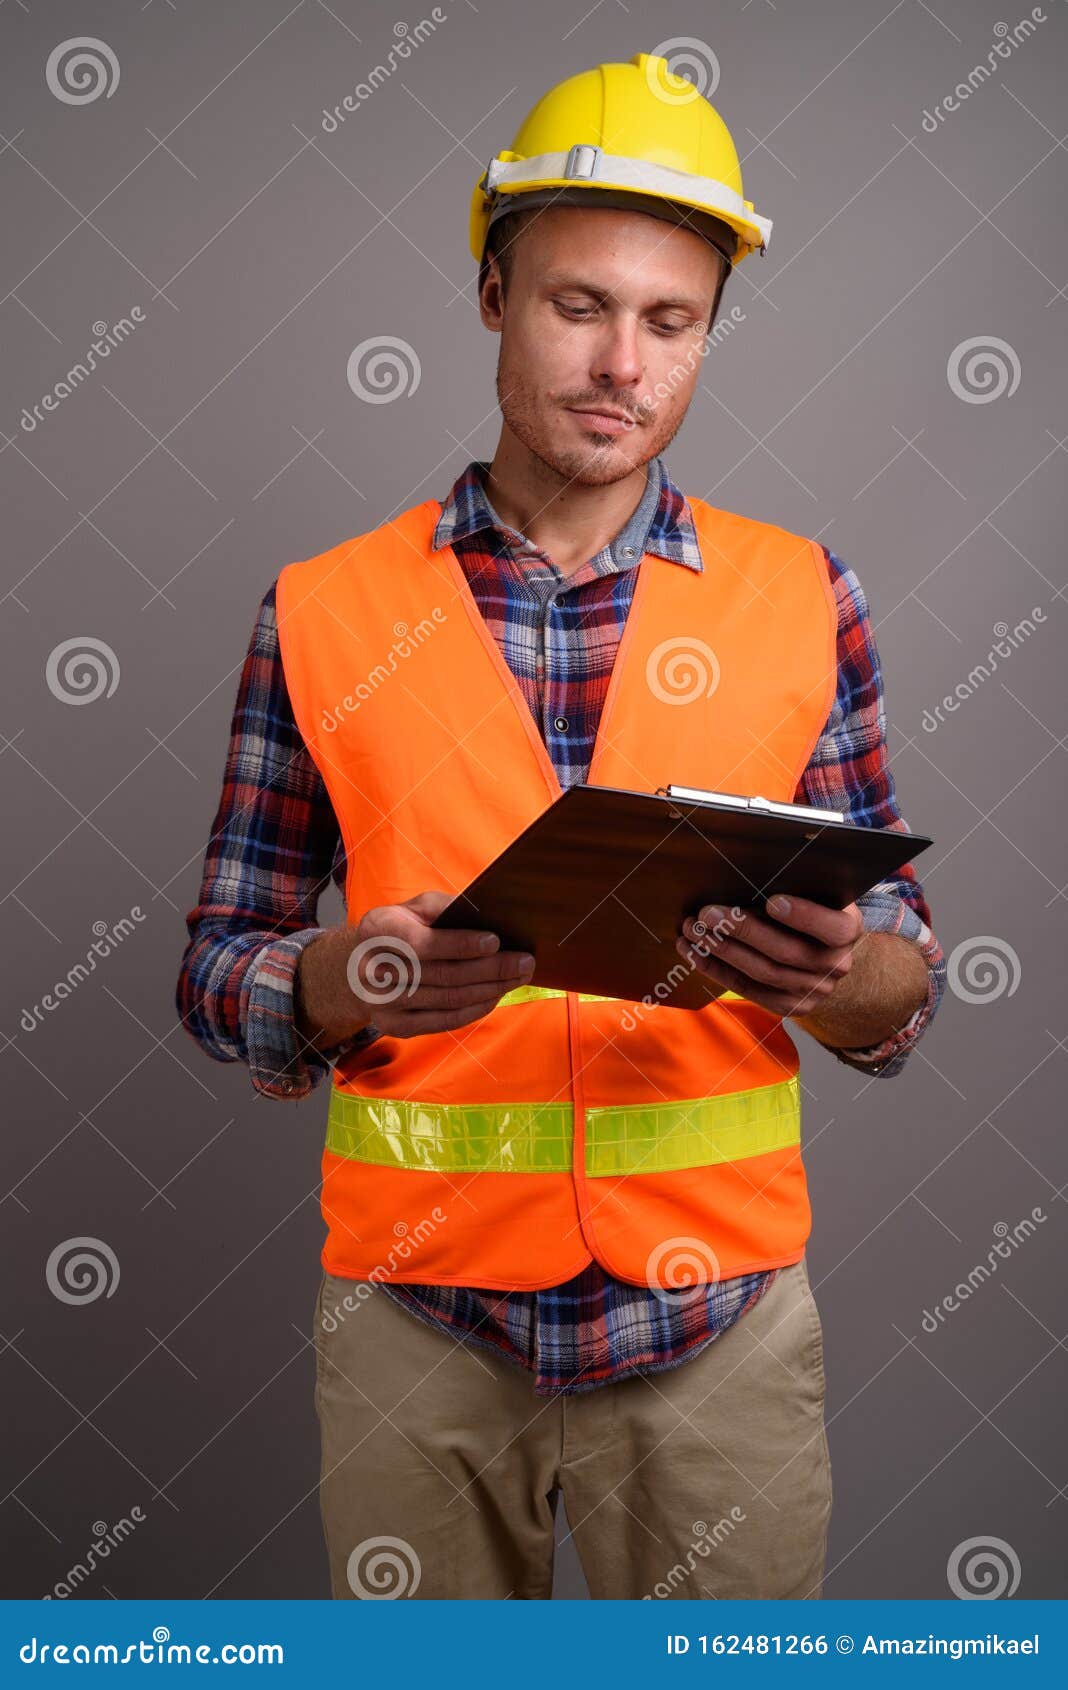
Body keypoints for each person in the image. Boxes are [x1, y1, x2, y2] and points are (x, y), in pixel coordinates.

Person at [176, 51, 946, 1601]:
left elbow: (904, 988)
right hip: (419, 1332)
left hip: (714, 1334)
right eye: (576, 304)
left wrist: (835, 971)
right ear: (489, 294)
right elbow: (217, 970)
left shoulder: (808, 597)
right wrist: (335, 982)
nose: (622, 364)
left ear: (708, 336)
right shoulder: (323, 610)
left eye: (670, 322)